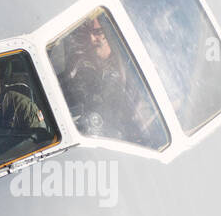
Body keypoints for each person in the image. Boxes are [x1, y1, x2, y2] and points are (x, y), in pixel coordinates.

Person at [60, 15, 163, 147]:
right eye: (90, 34)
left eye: (98, 32)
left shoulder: (134, 68)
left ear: (111, 33)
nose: (92, 39)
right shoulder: (80, 69)